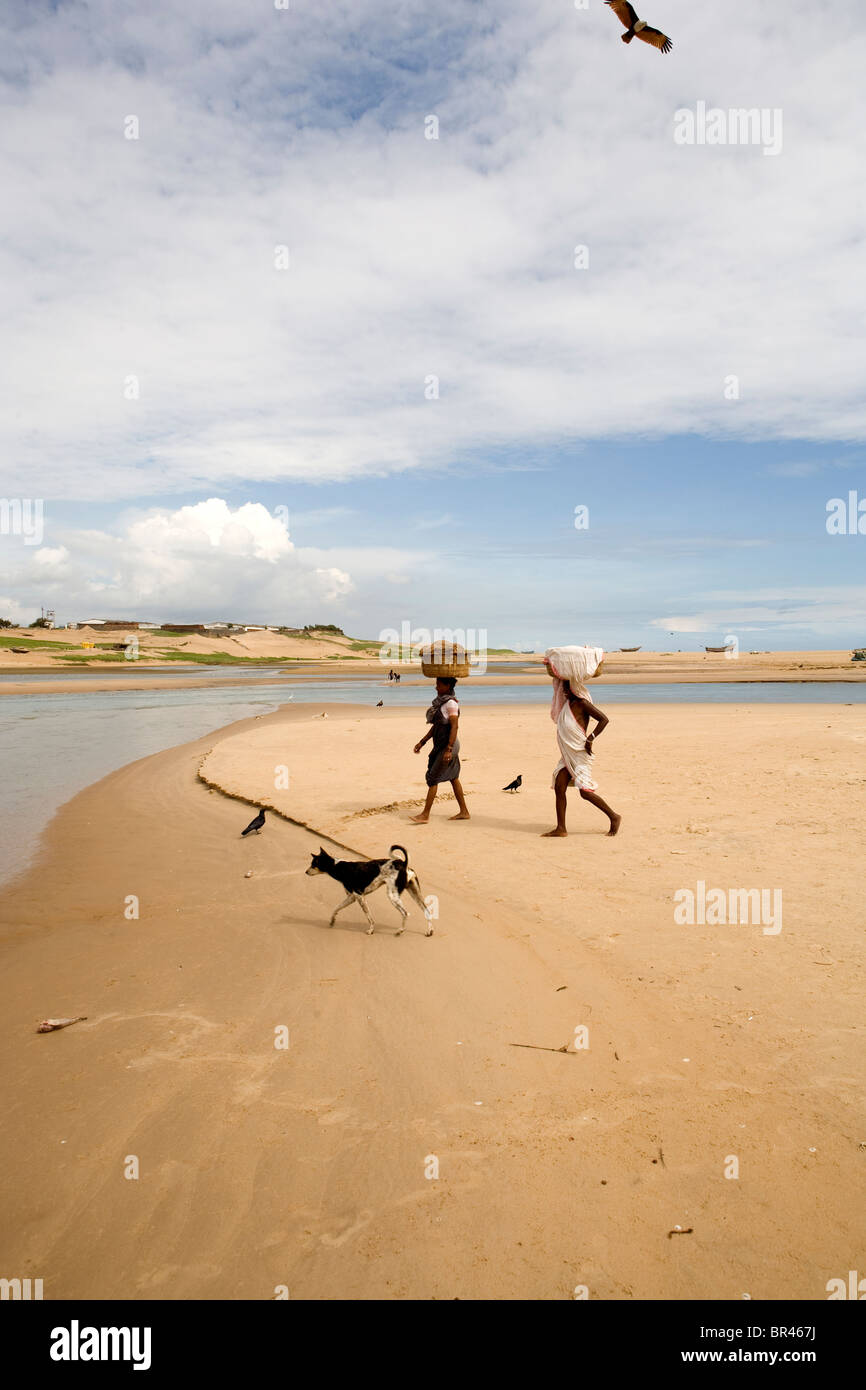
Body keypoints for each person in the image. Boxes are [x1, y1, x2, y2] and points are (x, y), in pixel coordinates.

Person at [543, 646, 621, 837]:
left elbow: (604, 719)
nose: (564, 691)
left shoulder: (582, 703)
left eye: (567, 688)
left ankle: (614, 816)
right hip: (567, 755)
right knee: (560, 787)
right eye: (564, 688)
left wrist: (591, 738)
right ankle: (561, 828)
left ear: (575, 688)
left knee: (585, 792)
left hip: (579, 753)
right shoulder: (567, 705)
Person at [410, 676, 470, 822]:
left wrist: (449, 749)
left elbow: (454, 726)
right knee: (454, 778)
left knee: (433, 778)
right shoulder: (441, 703)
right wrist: (422, 742)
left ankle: (425, 815)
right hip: (442, 745)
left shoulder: (451, 704)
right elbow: (436, 727)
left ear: (447, 686)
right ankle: (464, 812)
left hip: (449, 746)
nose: (436, 687)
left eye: (439, 685)